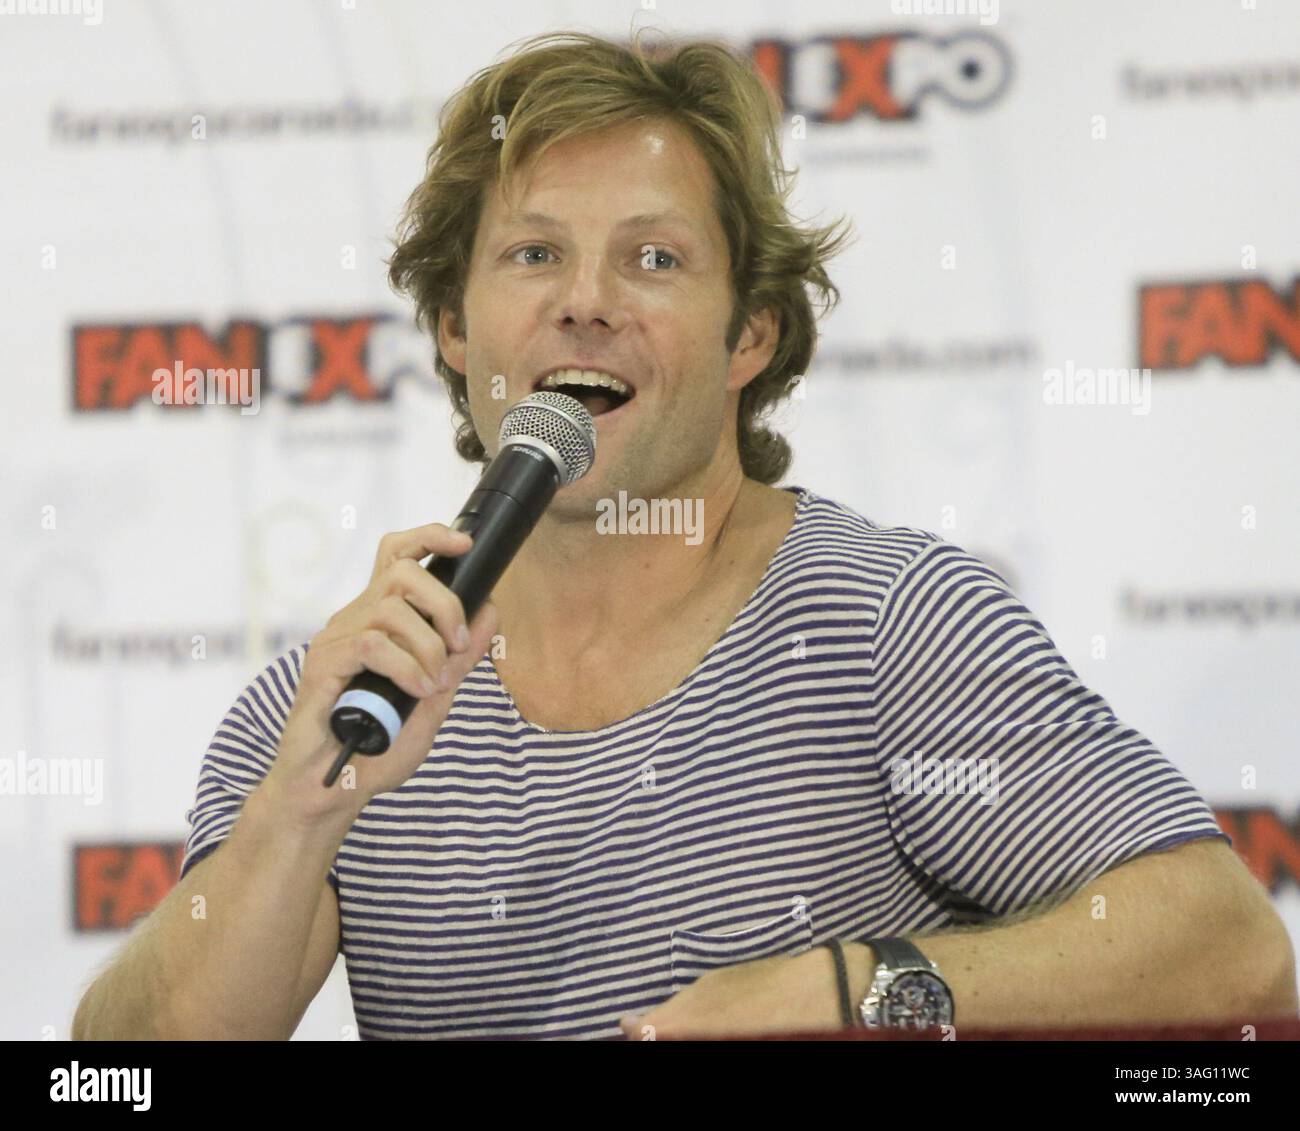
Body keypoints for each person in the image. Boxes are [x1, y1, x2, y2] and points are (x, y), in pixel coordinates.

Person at [73, 30, 1295, 1041]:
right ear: (453, 328)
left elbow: (1230, 951)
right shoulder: (346, 699)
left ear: (748, 335)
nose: (585, 301)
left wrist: (843, 992)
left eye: (652, 258)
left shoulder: (884, 624)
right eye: (533, 254)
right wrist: (298, 809)